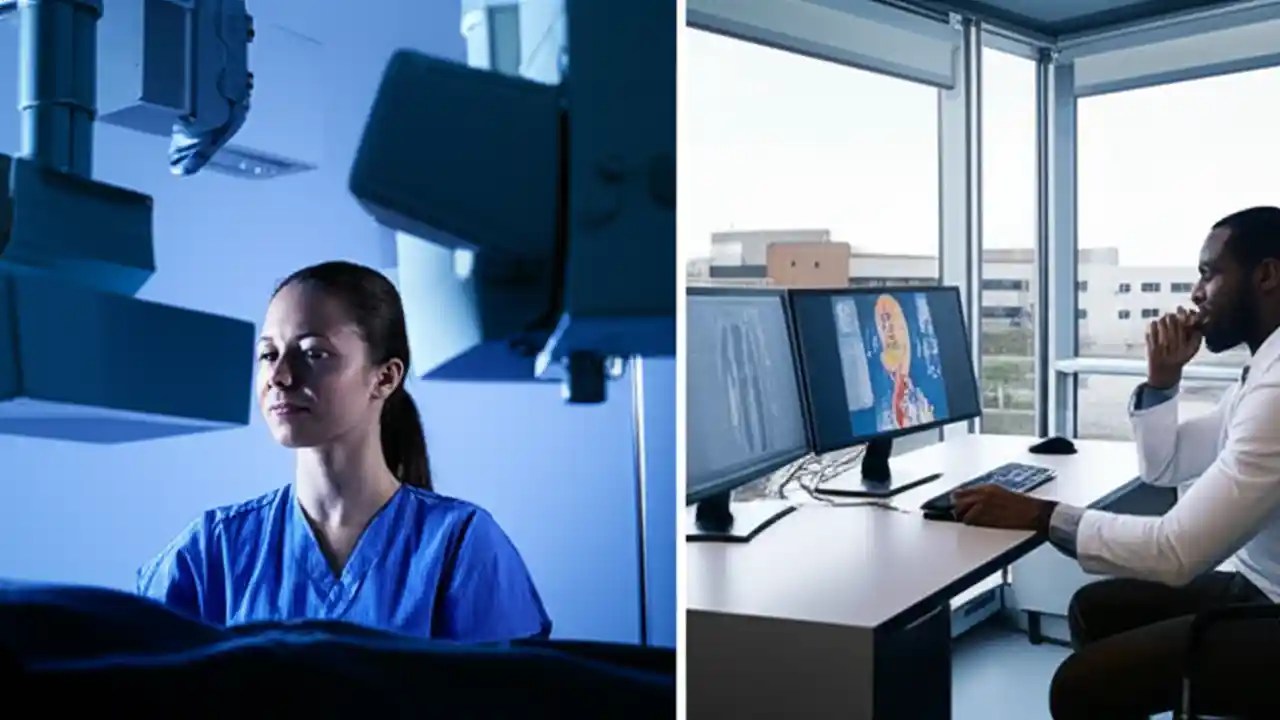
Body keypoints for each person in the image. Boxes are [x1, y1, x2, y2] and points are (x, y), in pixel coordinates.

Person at [951, 207, 1280, 719]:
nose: (1196, 294)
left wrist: (1042, 516)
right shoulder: (1264, 368)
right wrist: (1163, 380)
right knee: (1094, 610)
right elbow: (1165, 466)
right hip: (1261, 586)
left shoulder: (1277, 389)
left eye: (1208, 274)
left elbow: (1176, 552)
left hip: (1271, 607)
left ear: (1266, 275)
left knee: (1078, 688)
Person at [137, 261, 551, 643]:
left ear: (384, 378)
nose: (279, 376)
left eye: (314, 353)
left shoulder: (460, 545)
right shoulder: (214, 551)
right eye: (268, 354)